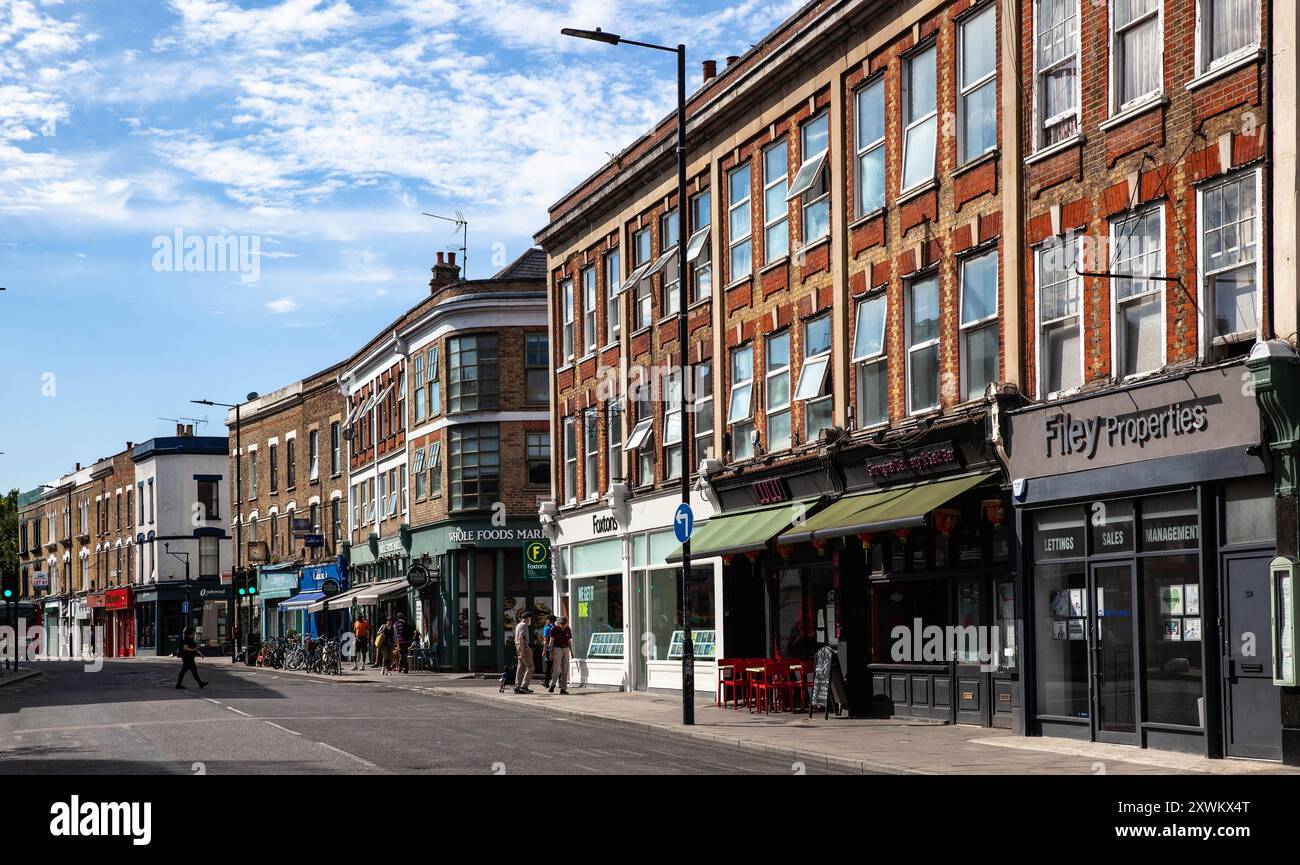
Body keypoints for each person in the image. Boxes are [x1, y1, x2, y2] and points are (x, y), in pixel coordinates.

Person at [548, 616, 573, 695]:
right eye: (561, 624)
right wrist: (551, 652)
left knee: (565, 669)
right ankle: (552, 684)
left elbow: (569, 641)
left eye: (564, 624)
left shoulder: (568, 629)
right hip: (557, 649)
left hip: (565, 649)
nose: (563, 625)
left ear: (566, 623)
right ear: (558, 623)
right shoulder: (554, 629)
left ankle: (563, 689)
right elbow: (551, 641)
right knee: (557, 669)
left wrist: (571, 651)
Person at [513, 611, 534, 694]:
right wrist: (522, 650)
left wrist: (519, 649)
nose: (530, 620)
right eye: (530, 618)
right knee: (530, 667)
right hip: (523, 646)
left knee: (520, 667)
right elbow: (521, 638)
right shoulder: (524, 625)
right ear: (527, 618)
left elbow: (517, 638)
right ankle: (524, 686)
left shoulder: (518, 625)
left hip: (518, 646)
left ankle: (517, 686)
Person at [541, 614, 556, 689]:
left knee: (548, 666)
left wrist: (544, 650)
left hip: (549, 649)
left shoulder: (547, 628)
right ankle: (558, 682)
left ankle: (546, 682)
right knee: (557, 666)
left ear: (549, 620)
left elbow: (545, 640)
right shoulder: (557, 627)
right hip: (557, 649)